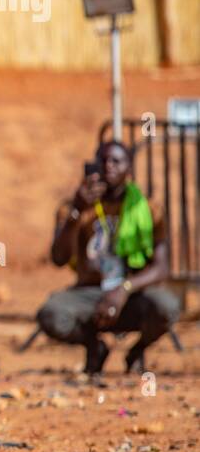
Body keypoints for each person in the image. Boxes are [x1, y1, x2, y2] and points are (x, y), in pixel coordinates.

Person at [39, 140, 180, 374]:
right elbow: (58, 258)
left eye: (116, 161)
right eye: (103, 160)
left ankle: (136, 352)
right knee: (51, 314)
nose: (109, 166)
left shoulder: (147, 210)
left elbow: (161, 268)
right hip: (90, 293)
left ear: (129, 169)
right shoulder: (75, 207)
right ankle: (95, 348)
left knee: (167, 306)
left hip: (133, 294)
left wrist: (123, 289)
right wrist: (76, 213)